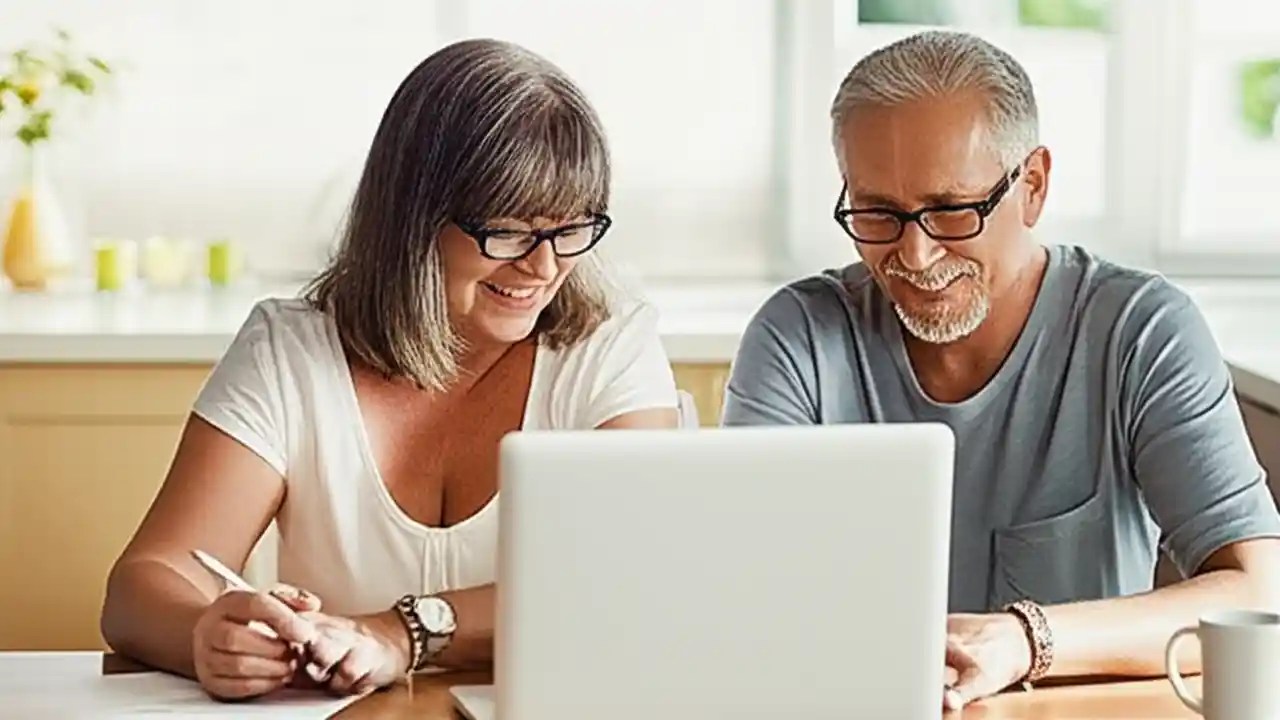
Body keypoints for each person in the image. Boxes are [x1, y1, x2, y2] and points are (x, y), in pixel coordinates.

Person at [100, 38, 680, 701]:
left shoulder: (610, 346)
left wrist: (400, 633)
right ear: (413, 219)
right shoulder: (290, 353)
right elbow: (141, 584)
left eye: (573, 229)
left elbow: (631, 580)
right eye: (509, 232)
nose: (543, 268)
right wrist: (207, 632)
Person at [722, 29, 1280, 710]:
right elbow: (742, 593)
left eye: (952, 211)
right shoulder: (798, 338)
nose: (916, 256)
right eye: (878, 213)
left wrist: (1026, 639)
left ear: (1033, 186)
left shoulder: (1141, 330)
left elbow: (1258, 592)